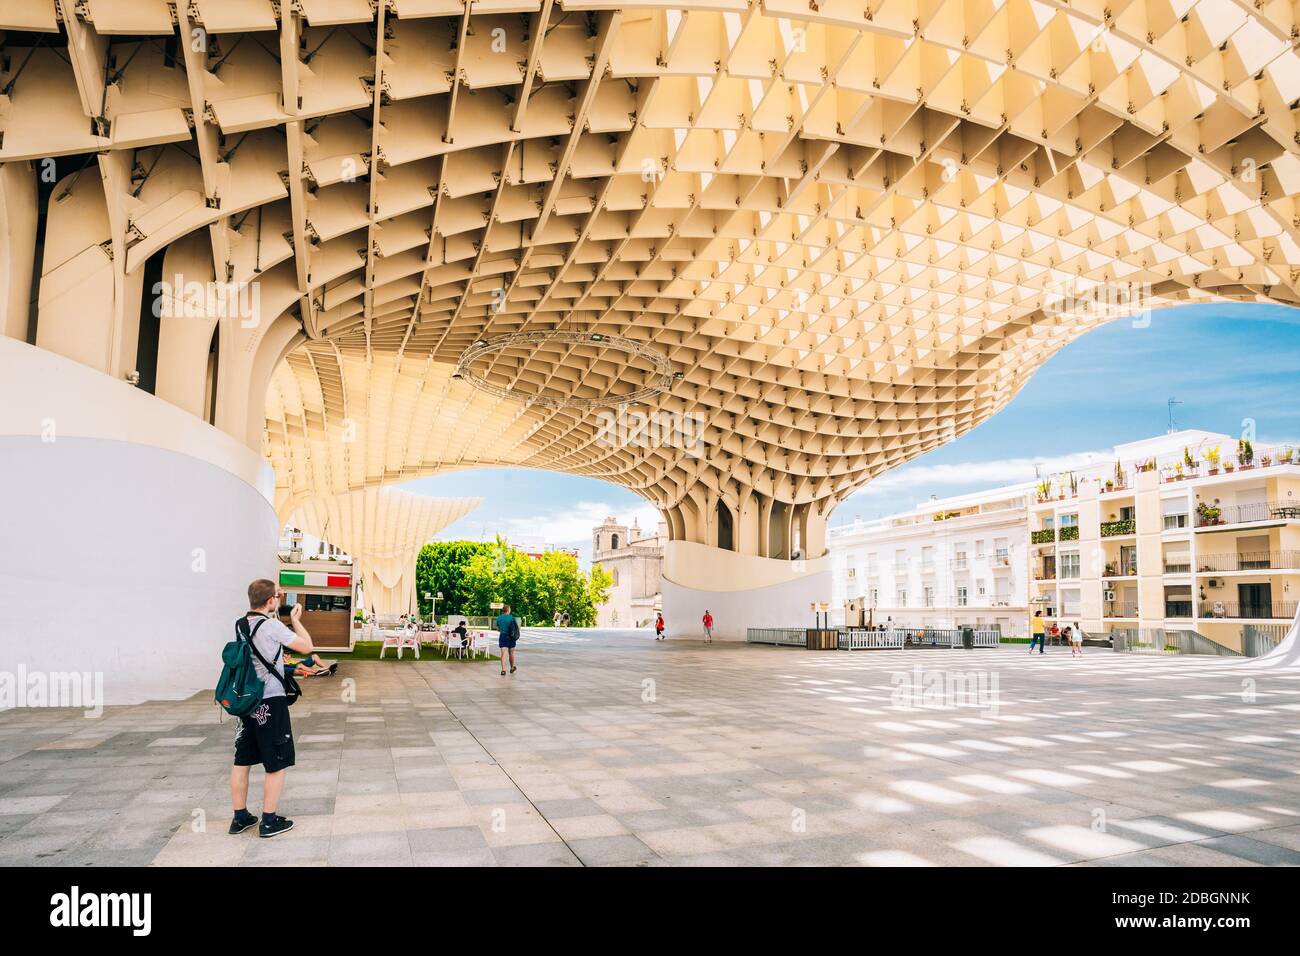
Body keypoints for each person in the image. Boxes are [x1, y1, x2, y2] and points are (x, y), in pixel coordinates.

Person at [230, 579, 313, 838]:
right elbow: (307, 647)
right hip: (271, 701)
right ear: (269, 601)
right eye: (276, 596)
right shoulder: (272, 625)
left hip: (247, 701)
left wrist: (289, 668)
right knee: (276, 760)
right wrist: (296, 620)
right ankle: (269, 820)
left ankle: (240, 817)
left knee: (242, 759)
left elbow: (256, 659)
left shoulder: (240, 624)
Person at [497, 604, 520, 676]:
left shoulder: (499, 618)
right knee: (511, 653)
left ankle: (503, 670)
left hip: (503, 636)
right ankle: (512, 667)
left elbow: (498, 629)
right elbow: (516, 628)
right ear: (508, 610)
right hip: (511, 637)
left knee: (503, 653)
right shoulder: (511, 618)